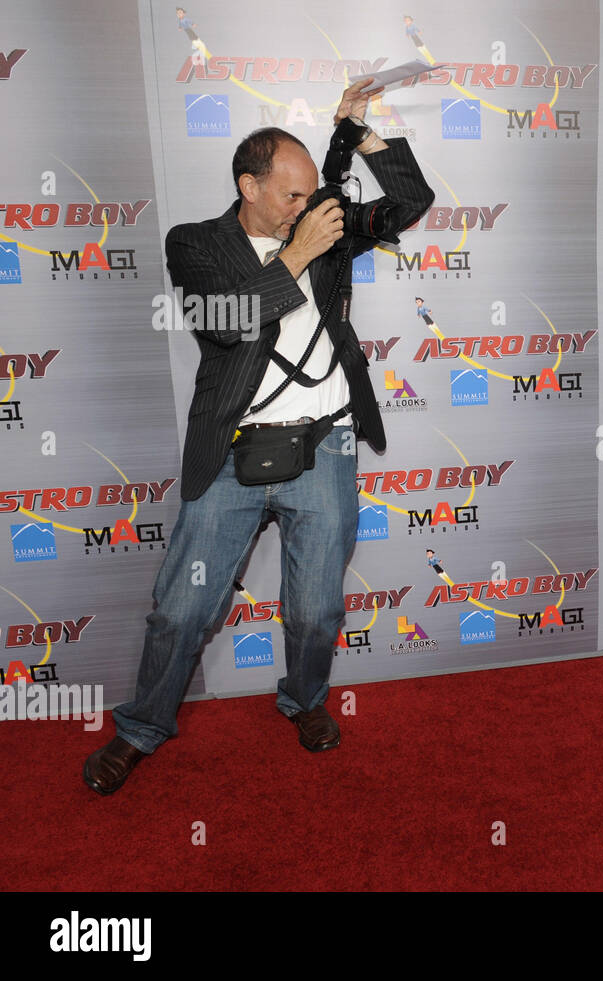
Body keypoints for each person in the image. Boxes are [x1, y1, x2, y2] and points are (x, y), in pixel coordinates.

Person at [83, 78, 435, 795]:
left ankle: (304, 700)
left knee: (315, 611)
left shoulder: (327, 232)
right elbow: (227, 321)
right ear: (249, 185)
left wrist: (360, 134)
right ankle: (141, 727)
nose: (308, 208)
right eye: (291, 195)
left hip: (325, 448)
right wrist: (298, 253)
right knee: (183, 608)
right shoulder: (197, 244)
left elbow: (410, 203)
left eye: (314, 194)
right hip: (235, 451)